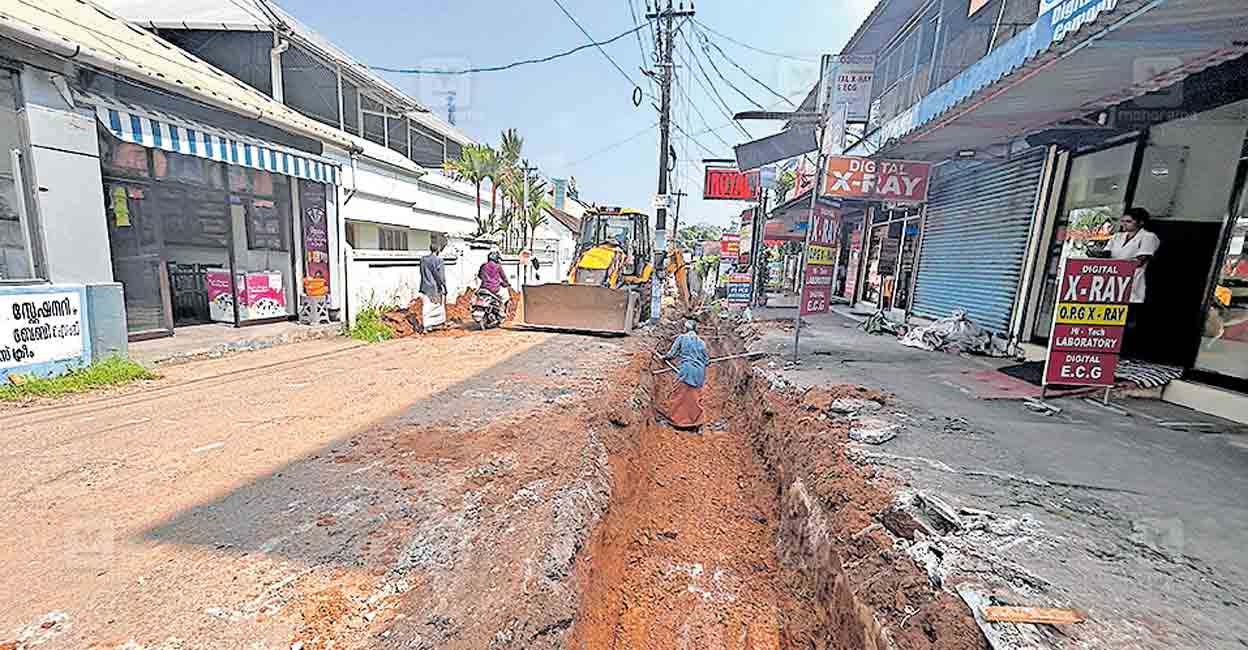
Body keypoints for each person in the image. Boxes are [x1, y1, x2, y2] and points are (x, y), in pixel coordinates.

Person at [659, 320, 709, 429]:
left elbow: (672, 354)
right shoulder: (702, 342)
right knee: (695, 396)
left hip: (686, 371)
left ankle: (678, 420)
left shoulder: (682, 338)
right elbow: (707, 361)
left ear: (685, 329)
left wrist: (663, 357)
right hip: (700, 373)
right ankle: (695, 421)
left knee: (680, 395)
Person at [419, 236, 448, 331]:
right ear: (438, 249)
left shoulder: (423, 259)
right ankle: (438, 323)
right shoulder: (439, 260)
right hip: (435, 287)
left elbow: (421, 272)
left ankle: (426, 326)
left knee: (426, 307)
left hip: (425, 286)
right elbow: (441, 277)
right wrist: (444, 287)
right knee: (438, 306)